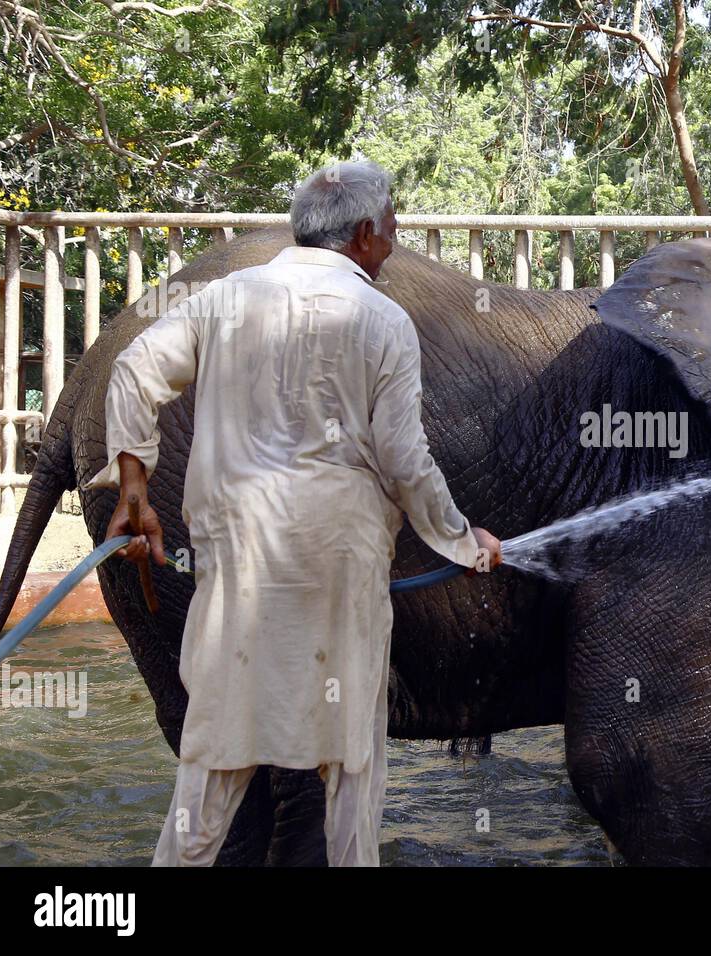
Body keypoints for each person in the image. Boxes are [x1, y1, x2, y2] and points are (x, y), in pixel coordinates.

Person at [86, 160, 502, 866]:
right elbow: (404, 459)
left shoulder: (224, 299)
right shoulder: (384, 320)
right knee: (351, 771)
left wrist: (135, 487)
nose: (396, 236)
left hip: (236, 569)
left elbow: (132, 373)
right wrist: (464, 542)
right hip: (340, 573)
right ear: (366, 234)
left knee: (213, 760)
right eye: (394, 222)